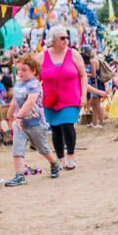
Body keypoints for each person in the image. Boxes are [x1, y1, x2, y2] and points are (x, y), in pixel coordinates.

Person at [40, 25, 87, 170]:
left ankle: (71, 157)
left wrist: (84, 95)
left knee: (68, 125)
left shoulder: (74, 54)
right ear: (53, 40)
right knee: (55, 129)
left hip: (71, 98)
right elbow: (35, 77)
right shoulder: (42, 56)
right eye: (62, 38)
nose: (66, 40)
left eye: (67, 37)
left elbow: (83, 75)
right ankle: (60, 159)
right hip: (50, 100)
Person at [8, 52, 59, 183]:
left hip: (36, 123)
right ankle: (19, 175)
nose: (20, 72)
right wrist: (10, 112)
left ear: (34, 70)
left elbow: (30, 102)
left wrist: (18, 115)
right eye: (18, 69)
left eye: (24, 70)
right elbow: (15, 99)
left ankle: (54, 164)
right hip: (21, 124)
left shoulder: (35, 84)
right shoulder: (18, 84)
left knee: (42, 148)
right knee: (17, 148)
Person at [81, 47, 111, 129]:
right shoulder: (94, 59)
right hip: (96, 84)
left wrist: (85, 74)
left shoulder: (92, 61)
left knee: (97, 104)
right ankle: (94, 123)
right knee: (93, 104)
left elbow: (93, 75)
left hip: (97, 84)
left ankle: (100, 123)